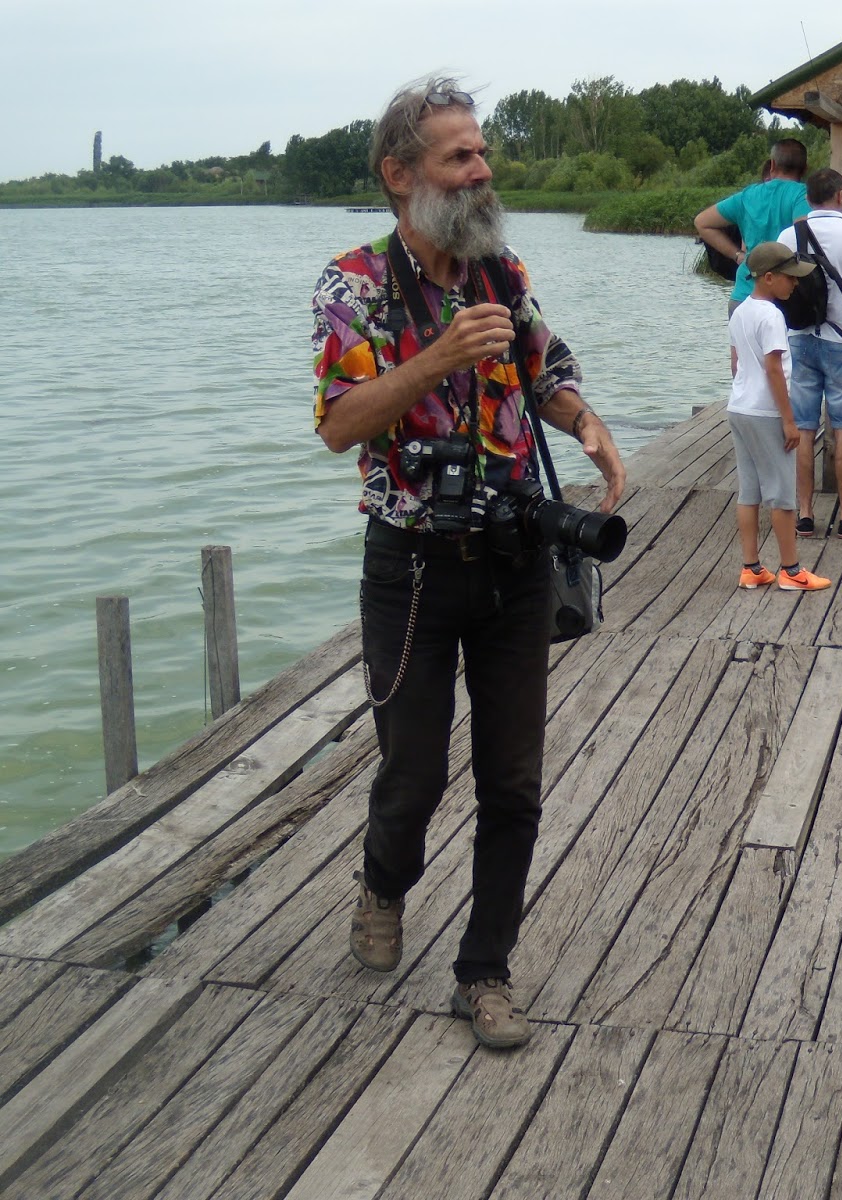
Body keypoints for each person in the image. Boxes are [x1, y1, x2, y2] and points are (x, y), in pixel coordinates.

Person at [311, 77, 625, 1051]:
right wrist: (438, 358)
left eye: (482, 152)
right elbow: (338, 425)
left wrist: (589, 427)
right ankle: (382, 879)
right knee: (414, 772)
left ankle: (484, 972)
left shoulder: (499, 269)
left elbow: (546, 367)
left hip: (514, 560)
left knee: (514, 782)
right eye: (459, 156)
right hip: (409, 566)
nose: (482, 169)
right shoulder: (354, 284)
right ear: (399, 176)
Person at [777, 168, 842, 539]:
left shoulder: (788, 236)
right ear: (841, 195)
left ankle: (804, 515)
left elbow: (778, 292)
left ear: (808, 198)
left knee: (805, 430)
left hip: (800, 338)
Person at [727, 242, 832, 592]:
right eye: (789, 278)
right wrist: (789, 420)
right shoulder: (772, 315)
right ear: (769, 278)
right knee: (783, 495)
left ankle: (752, 567)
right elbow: (774, 369)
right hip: (765, 411)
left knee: (750, 491)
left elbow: (736, 362)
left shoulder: (741, 310)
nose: (795, 284)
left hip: (739, 407)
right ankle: (791, 570)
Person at [695, 138, 809, 317]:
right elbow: (805, 233)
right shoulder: (802, 194)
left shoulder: (747, 195)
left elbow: (702, 222)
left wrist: (738, 255)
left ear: (772, 165)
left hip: (742, 295)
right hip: (783, 299)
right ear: (805, 169)